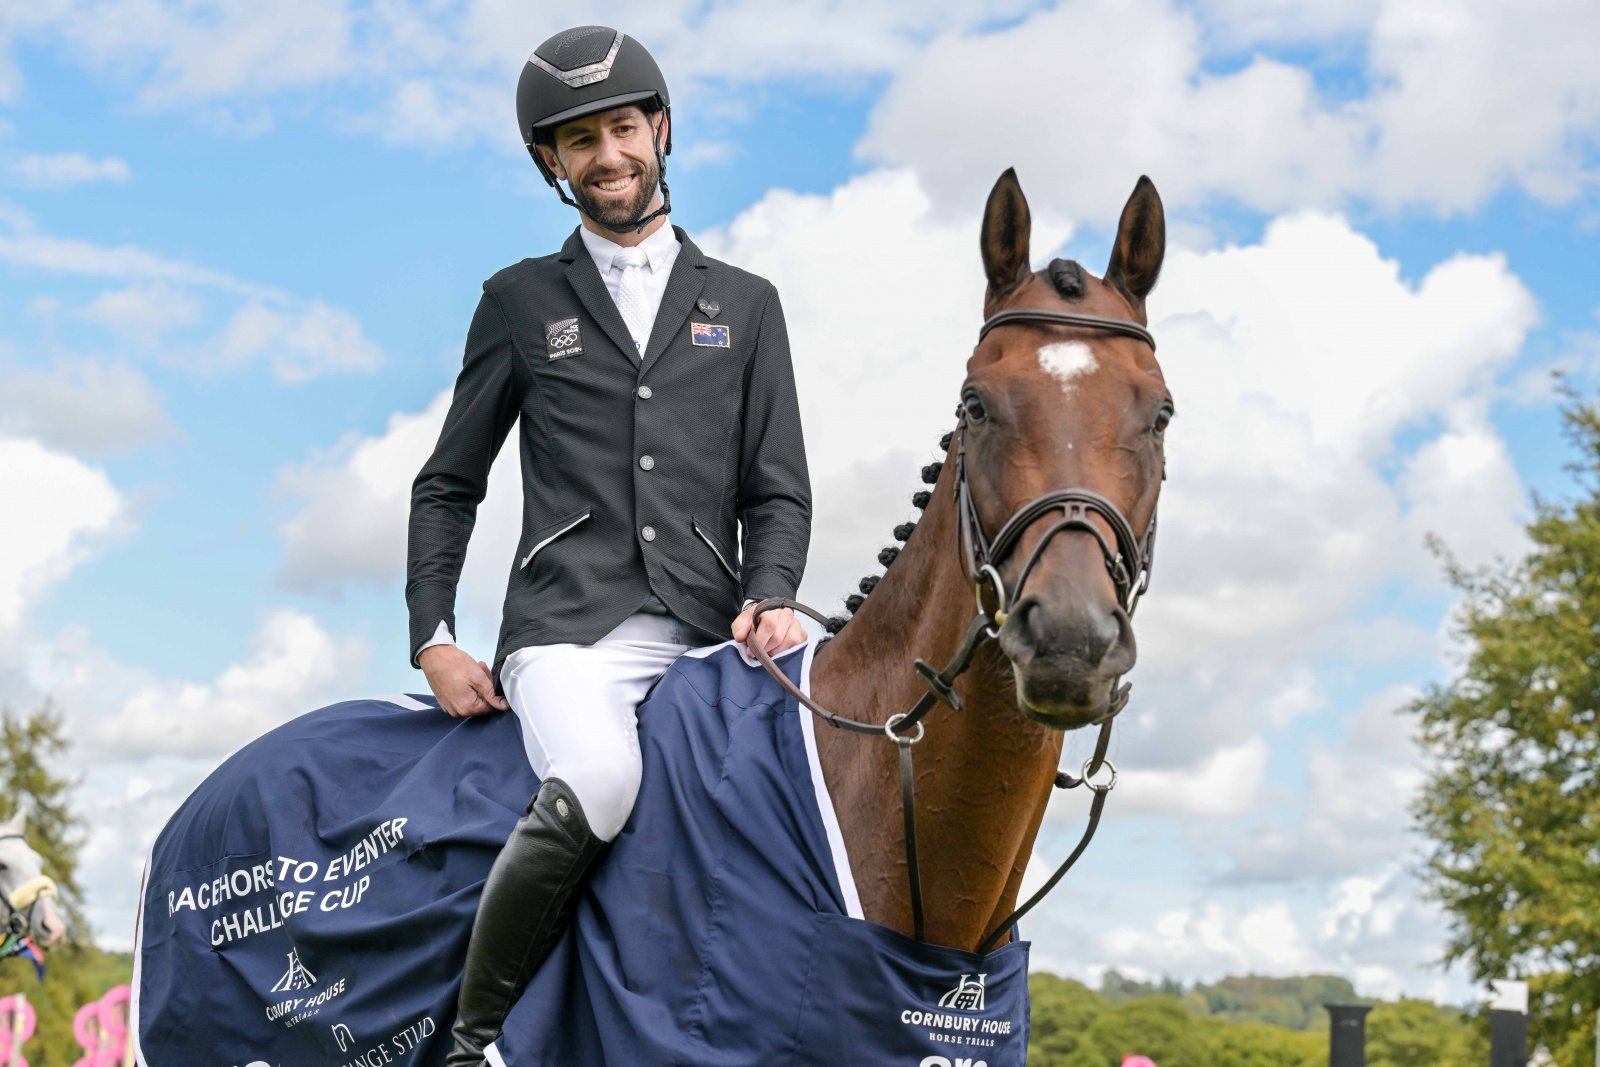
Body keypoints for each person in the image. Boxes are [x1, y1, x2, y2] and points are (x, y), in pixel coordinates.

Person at [405, 25, 812, 1066]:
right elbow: (450, 482)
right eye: (578, 139)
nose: (607, 154)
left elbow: (776, 491)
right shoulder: (517, 302)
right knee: (598, 775)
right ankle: (473, 1038)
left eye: (622, 127)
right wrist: (437, 636)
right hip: (567, 630)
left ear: (660, 129)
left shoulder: (748, 306)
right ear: (552, 162)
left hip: (711, 626)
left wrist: (770, 591)